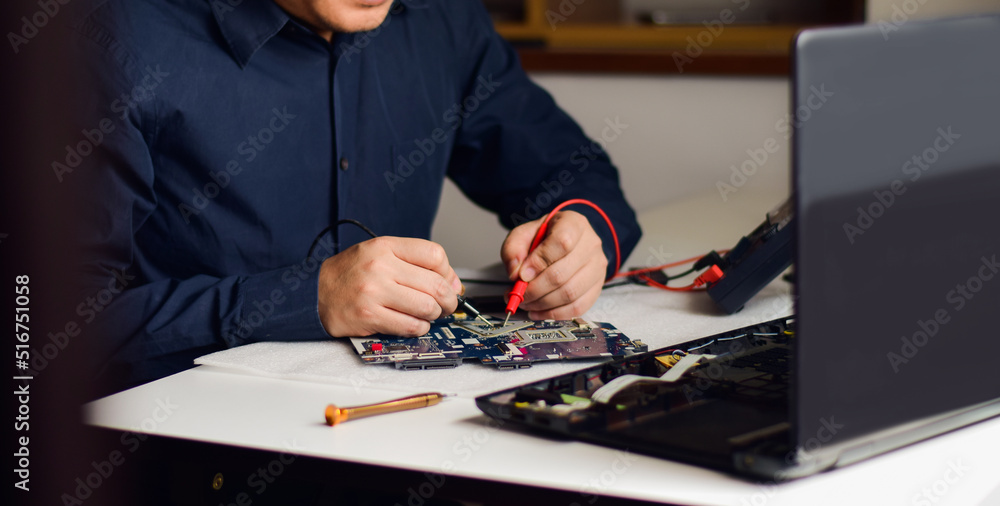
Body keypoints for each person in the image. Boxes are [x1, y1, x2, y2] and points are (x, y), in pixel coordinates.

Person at [73, 0, 641, 389]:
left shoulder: (441, 20)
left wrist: (582, 234)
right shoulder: (112, 40)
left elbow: (572, 173)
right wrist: (306, 300)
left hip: (409, 444)